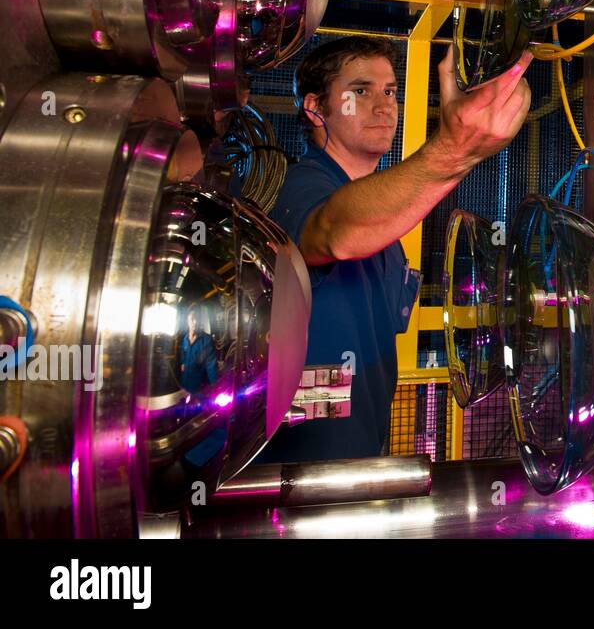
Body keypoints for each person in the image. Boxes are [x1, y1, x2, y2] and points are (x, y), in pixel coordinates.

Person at [258, 36, 531, 461]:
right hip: (296, 476)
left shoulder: (385, 229)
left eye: (390, 92)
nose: (385, 106)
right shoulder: (299, 188)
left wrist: (463, 153)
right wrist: (454, 148)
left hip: (360, 459)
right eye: (361, 92)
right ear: (315, 108)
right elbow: (335, 229)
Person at [178, 309, 219, 394]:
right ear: (187, 321)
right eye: (192, 319)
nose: (195, 322)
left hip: (199, 390)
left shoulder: (206, 340)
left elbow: (211, 365)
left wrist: (215, 387)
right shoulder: (185, 340)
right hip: (184, 387)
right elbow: (183, 357)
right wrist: (183, 363)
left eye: (197, 319)